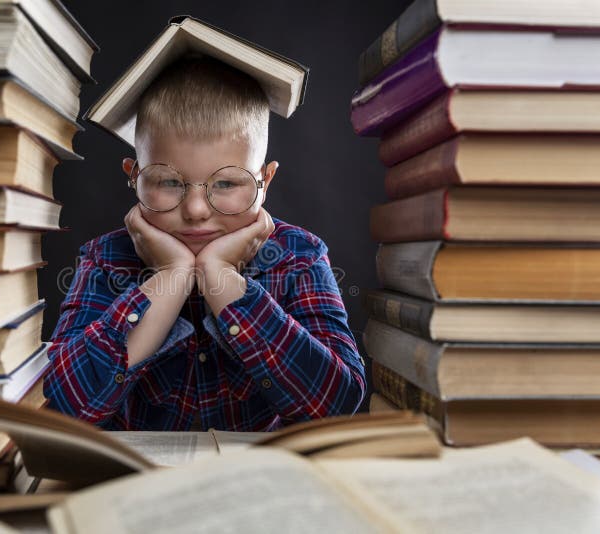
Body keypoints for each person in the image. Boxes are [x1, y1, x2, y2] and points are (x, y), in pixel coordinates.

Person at [44, 55, 365, 431]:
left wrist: (221, 278)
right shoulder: (104, 261)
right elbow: (59, 406)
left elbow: (338, 404)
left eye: (227, 183)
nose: (196, 210)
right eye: (169, 182)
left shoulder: (300, 258)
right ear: (134, 178)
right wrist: (172, 275)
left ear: (265, 181)